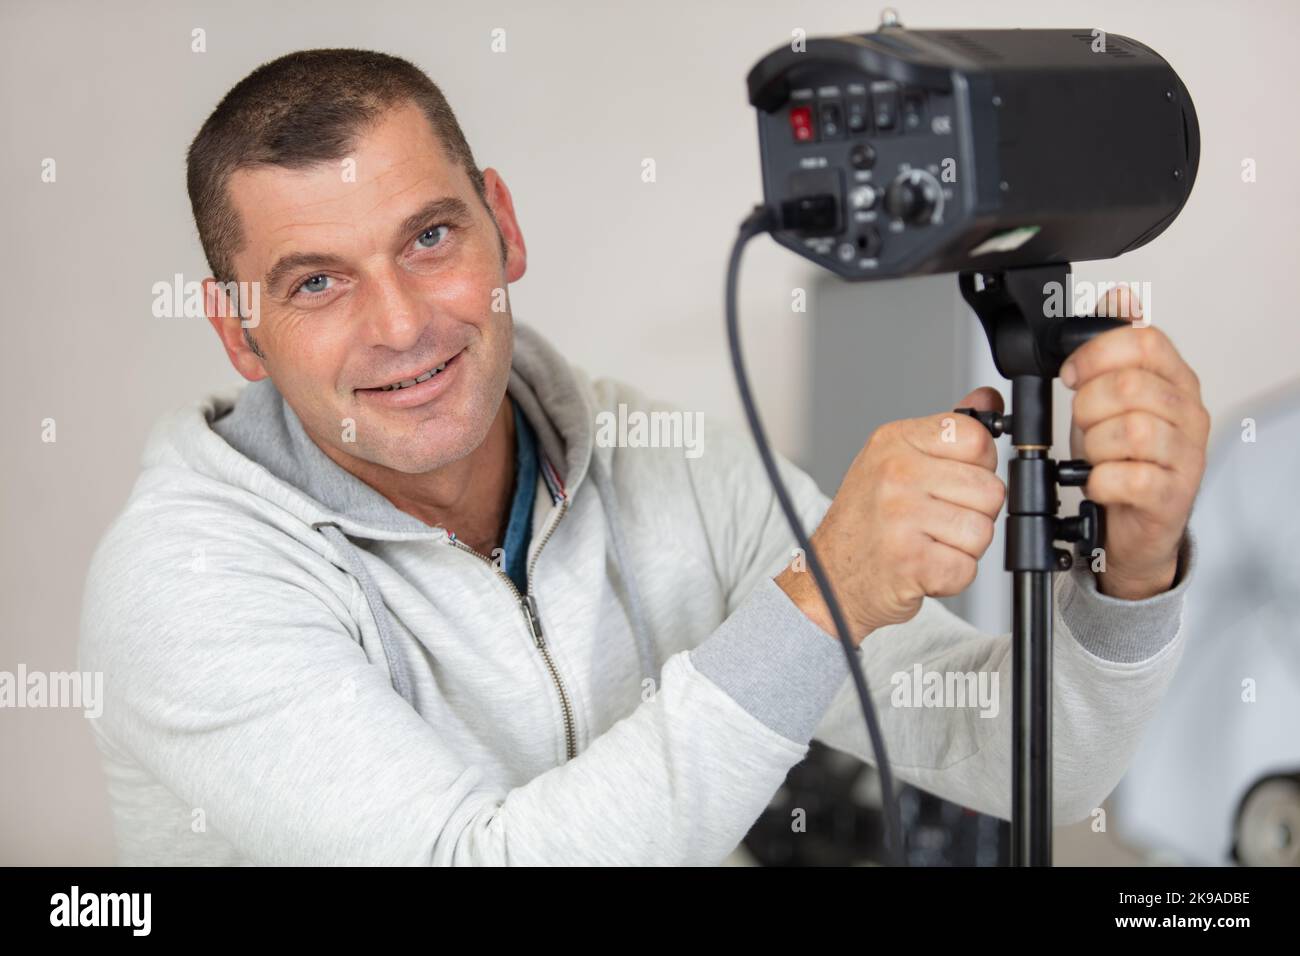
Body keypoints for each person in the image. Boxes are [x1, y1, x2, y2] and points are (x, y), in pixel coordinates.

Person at [79, 49, 1209, 865]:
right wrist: (820, 602)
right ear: (237, 330)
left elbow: (1014, 760)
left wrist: (1133, 566)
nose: (399, 325)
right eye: (316, 281)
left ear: (501, 227)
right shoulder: (186, 580)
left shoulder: (665, 468)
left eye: (429, 237)